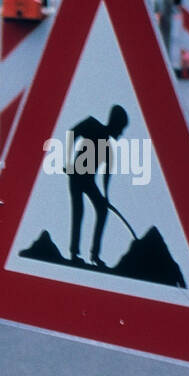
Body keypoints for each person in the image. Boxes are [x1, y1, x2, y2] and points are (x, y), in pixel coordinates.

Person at [67, 104, 127, 267]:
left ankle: (94, 255)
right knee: (78, 211)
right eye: (120, 128)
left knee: (102, 210)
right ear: (114, 123)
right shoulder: (91, 124)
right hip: (76, 175)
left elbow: (107, 174)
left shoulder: (108, 148)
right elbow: (72, 132)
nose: (121, 133)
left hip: (88, 180)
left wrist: (106, 197)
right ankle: (74, 253)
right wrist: (67, 161)